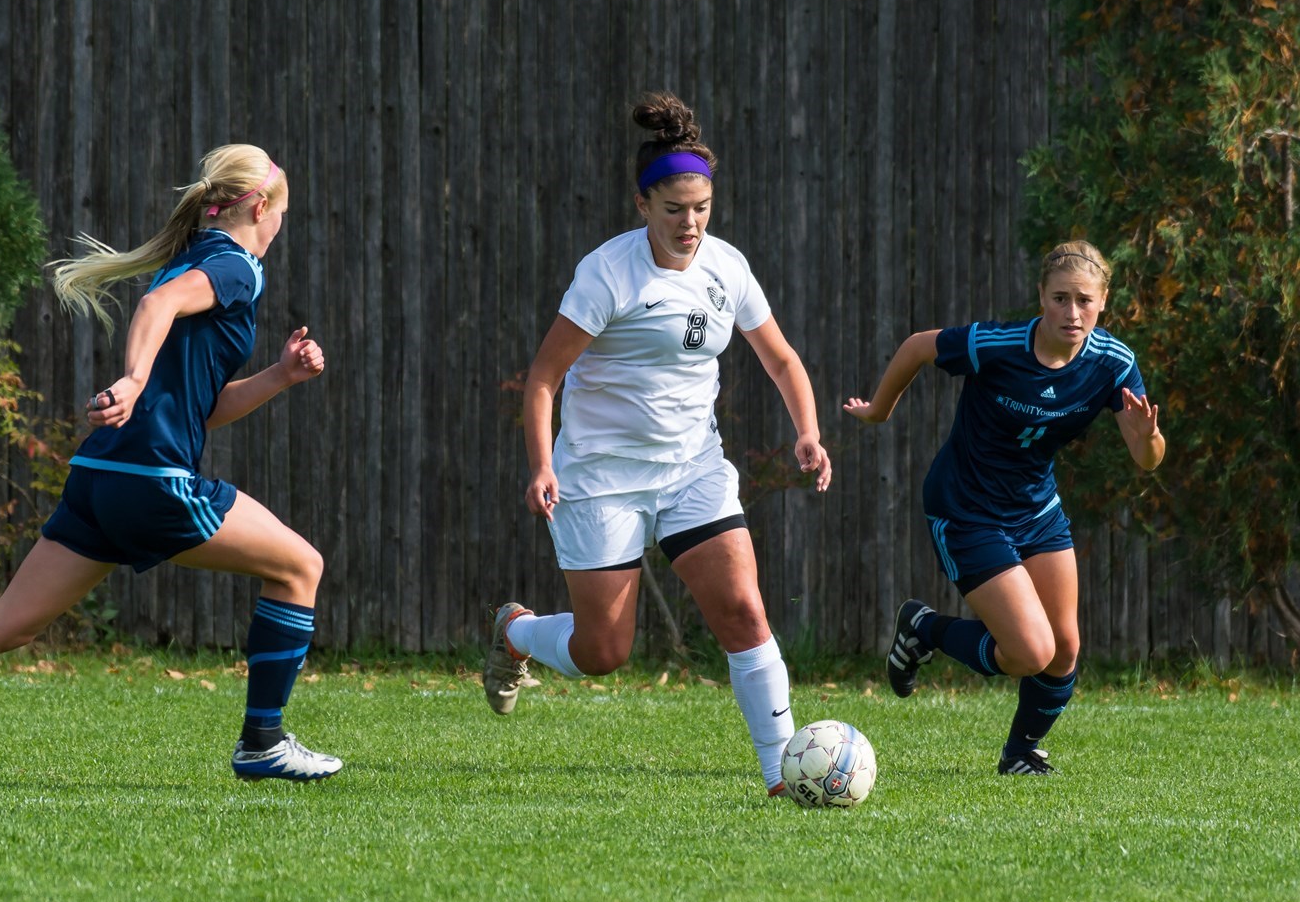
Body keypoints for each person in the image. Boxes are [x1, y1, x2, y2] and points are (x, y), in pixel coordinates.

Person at [0, 144, 342, 807]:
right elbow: (155, 306)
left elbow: (201, 409)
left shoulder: (198, 258)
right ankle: (263, 741)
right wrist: (133, 378)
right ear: (260, 208)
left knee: (7, 622)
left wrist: (280, 376)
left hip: (101, 476)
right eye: (283, 216)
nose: (279, 229)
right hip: (152, 480)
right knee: (300, 568)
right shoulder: (236, 266)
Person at [484, 92, 832, 797]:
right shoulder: (607, 274)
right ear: (642, 204)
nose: (690, 223)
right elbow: (544, 378)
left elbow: (781, 359)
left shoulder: (726, 268)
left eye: (702, 208)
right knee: (604, 651)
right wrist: (543, 464)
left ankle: (781, 776)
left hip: (691, 469)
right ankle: (517, 632)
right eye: (674, 209)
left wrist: (808, 431)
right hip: (601, 476)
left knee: (744, 611)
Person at [843, 240, 1165, 775]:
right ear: (1041, 296)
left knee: (1064, 649)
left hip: (1036, 511)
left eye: (1084, 300)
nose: (1072, 312)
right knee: (1030, 652)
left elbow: (1148, 459)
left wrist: (1147, 438)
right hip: (965, 509)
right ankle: (925, 629)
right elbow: (919, 346)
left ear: (1103, 301)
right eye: (1060, 298)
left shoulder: (1113, 363)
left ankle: (1019, 754)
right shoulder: (996, 345)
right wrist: (879, 409)